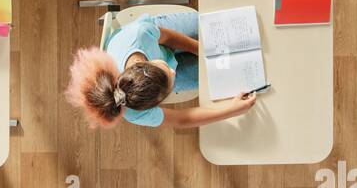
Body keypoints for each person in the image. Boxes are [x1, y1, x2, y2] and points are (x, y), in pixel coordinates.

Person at [65, 11, 257, 129]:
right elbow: (182, 120)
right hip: (157, 58)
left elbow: (168, 38)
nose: (174, 72)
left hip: (162, 39)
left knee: (217, 30)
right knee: (219, 74)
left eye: (167, 71)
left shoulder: (139, 36)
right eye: (169, 88)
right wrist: (231, 110)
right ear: (153, 103)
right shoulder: (134, 112)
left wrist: (202, 49)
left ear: (147, 63)